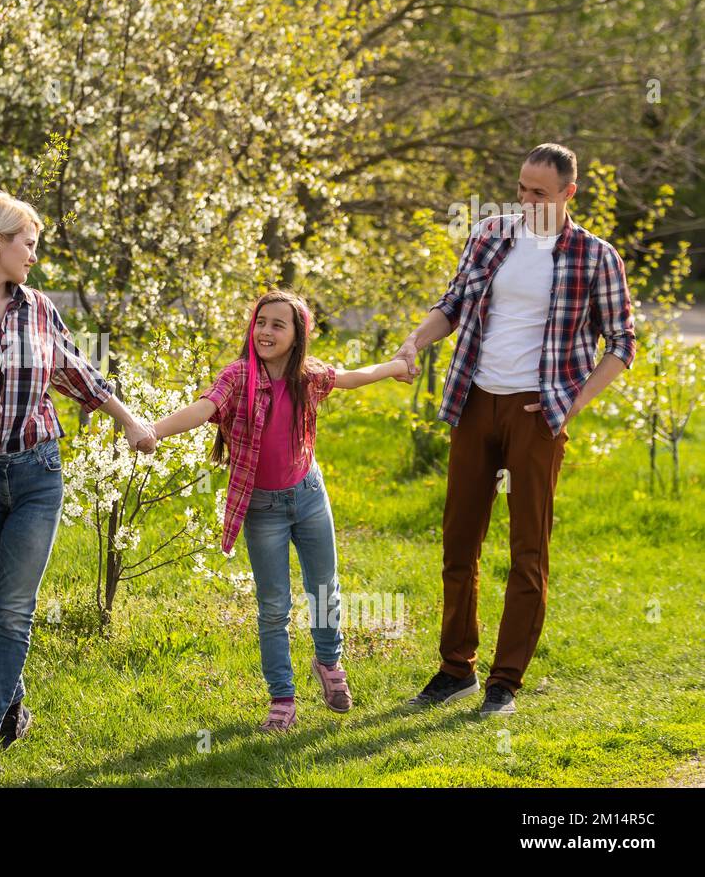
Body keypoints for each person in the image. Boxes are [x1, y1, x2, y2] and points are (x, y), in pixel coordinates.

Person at [0, 191, 157, 768]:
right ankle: (13, 705)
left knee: (16, 607)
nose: (33, 258)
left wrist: (131, 421)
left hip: (37, 470)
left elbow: (78, 371)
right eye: (28, 245)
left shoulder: (39, 309)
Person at [395, 143, 636, 716]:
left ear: (568, 194)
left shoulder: (595, 256)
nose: (526, 201)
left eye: (539, 194)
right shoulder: (490, 234)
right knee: (459, 542)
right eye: (521, 189)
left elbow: (622, 344)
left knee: (528, 549)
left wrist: (569, 405)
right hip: (476, 401)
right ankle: (457, 670)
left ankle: (505, 682)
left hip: (538, 414)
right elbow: (453, 304)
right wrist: (416, 340)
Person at [152, 289, 412, 731]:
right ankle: (282, 697)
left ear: (298, 335)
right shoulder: (237, 376)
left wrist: (396, 367)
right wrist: (153, 430)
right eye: (261, 322)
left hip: (308, 496)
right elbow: (203, 408)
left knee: (324, 589)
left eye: (278, 324)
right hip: (263, 508)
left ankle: (329, 664)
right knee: (272, 606)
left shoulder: (306, 376)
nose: (266, 331)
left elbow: (351, 376)